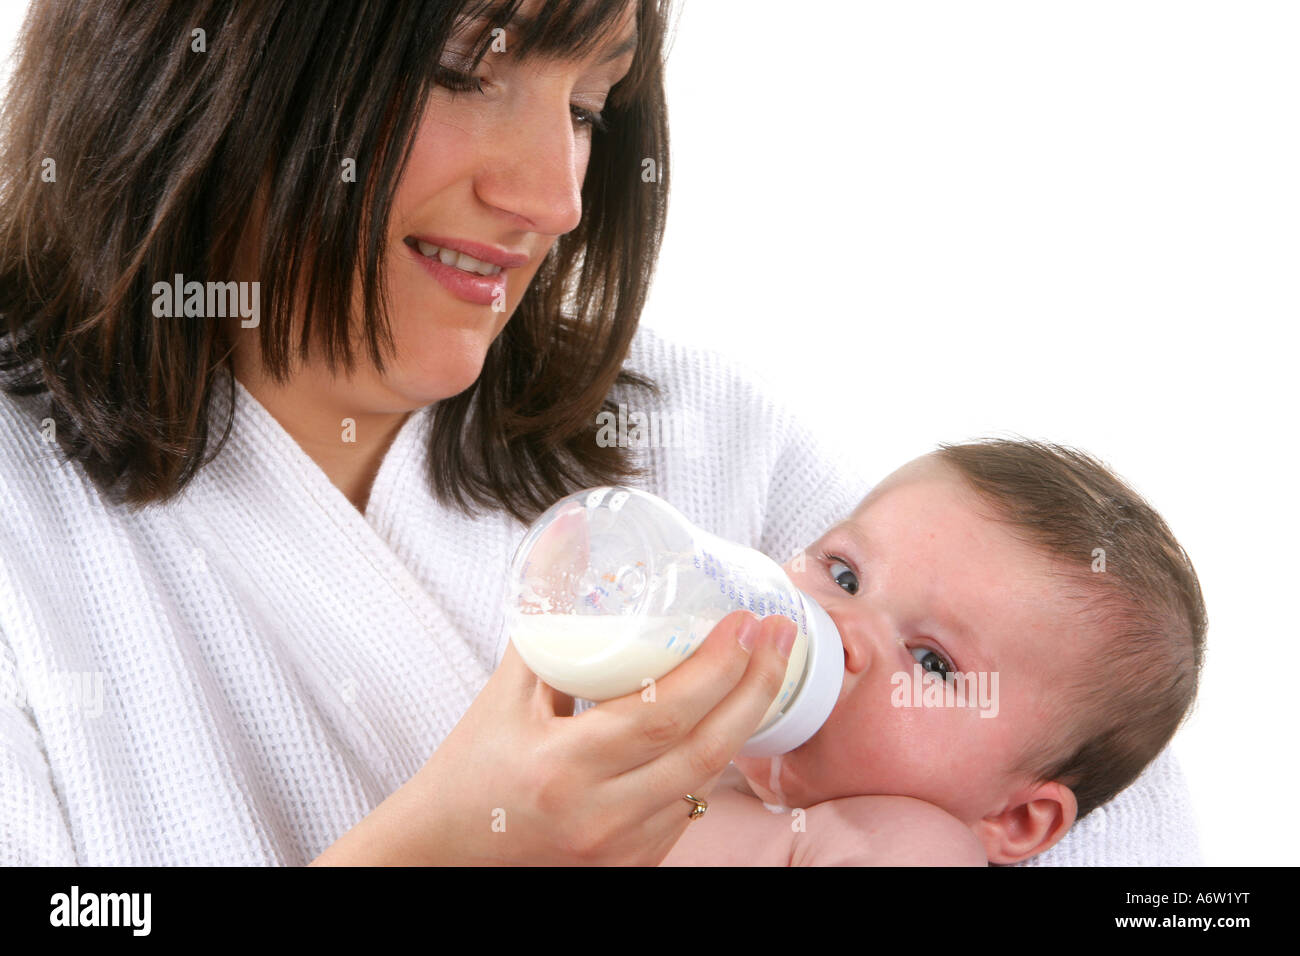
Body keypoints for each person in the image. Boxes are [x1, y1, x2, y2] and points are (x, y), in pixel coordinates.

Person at [0, 0, 1200, 866]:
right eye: (469, 64)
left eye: (588, 104)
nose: (557, 195)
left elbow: (1100, 784)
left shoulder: (689, 432)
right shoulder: (29, 540)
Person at [653, 440, 1206, 865]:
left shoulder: (901, 838)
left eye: (931, 663)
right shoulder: (709, 766)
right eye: (844, 576)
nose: (840, 626)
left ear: (1015, 820)